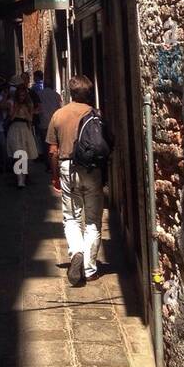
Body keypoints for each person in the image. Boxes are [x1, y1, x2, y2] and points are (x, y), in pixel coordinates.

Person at [46, 75, 110, 286]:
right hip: (92, 170)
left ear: (71, 92)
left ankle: (76, 252)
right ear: (88, 93)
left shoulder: (58, 115)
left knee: (71, 217)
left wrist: (55, 176)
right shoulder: (95, 114)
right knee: (92, 220)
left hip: (67, 168)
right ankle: (90, 269)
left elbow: (53, 151)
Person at [6, 83, 39, 188]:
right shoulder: (12, 103)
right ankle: (19, 179)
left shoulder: (29, 104)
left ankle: (23, 179)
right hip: (15, 129)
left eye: (23, 95)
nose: (21, 97)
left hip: (25, 129)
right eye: (20, 95)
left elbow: (30, 119)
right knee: (17, 155)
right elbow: (10, 118)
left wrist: (26, 110)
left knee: (24, 156)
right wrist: (16, 109)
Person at [35, 74, 62, 159]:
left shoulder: (39, 94)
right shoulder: (57, 95)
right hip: (54, 121)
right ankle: (54, 161)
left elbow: (38, 107)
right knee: (54, 143)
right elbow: (59, 107)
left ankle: (47, 162)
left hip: (44, 121)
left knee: (45, 143)